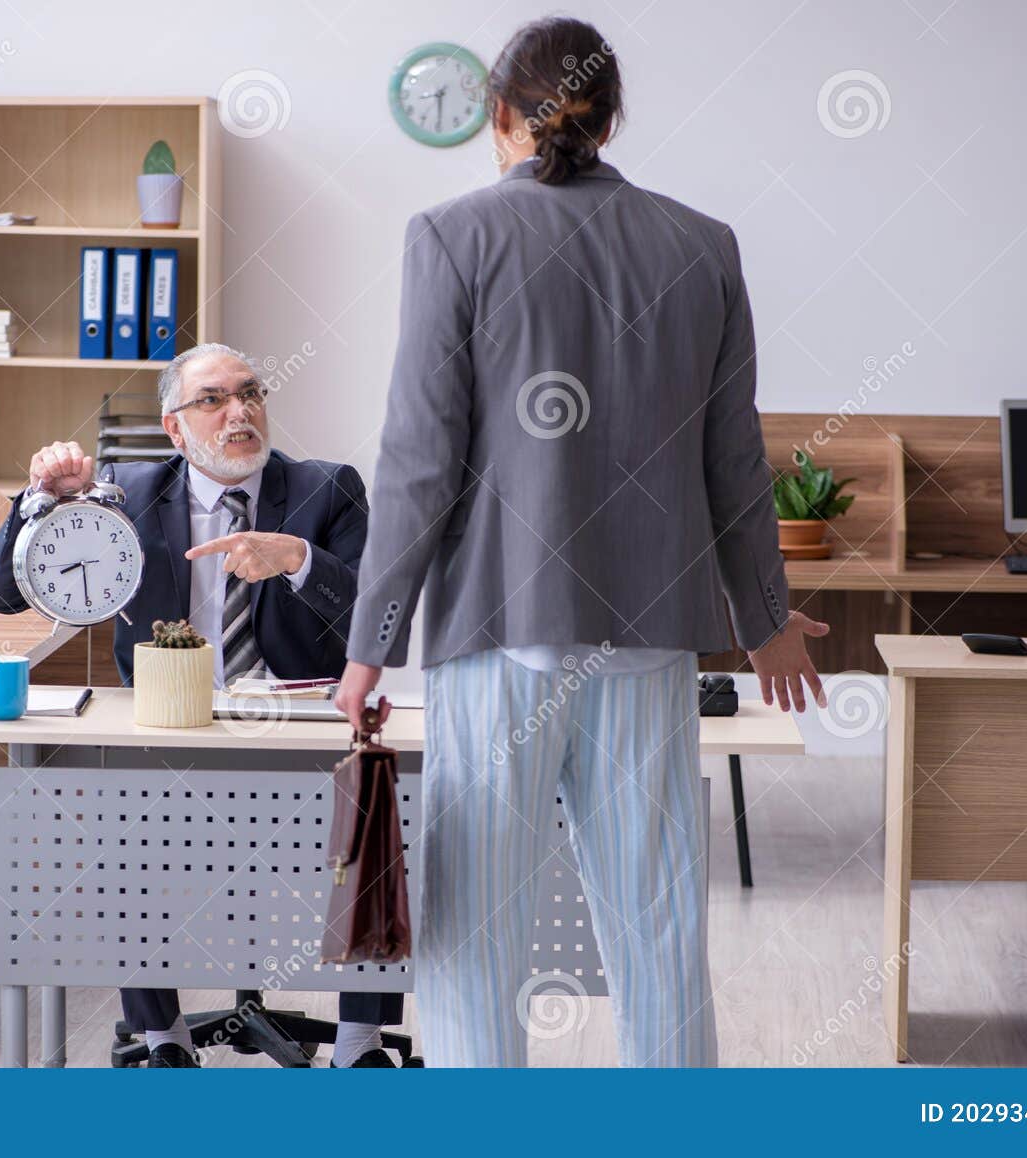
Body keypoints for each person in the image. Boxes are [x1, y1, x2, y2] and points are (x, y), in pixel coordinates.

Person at [335, 17, 828, 1067]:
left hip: (498, 634)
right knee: (659, 929)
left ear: (500, 114)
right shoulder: (702, 245)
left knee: (476, 937)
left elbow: (419, 460)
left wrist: (369, 644)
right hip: (648, 639)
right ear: (612, 120)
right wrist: (767, 623)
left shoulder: (452, 235)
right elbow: (734, 460)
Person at [0, 343, 404, 1067]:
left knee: (380, 809)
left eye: (250, 392)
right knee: (109, 830)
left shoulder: (327, 489)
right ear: (174, 428)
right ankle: (163, 1040)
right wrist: (41, 501)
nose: (239, 411)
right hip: (167, 739)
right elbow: (2, 595)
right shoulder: (124, 494)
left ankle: (360, 1046)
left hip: (302, 742)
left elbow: (380, 615)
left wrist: (299, 560)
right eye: (213, 399)